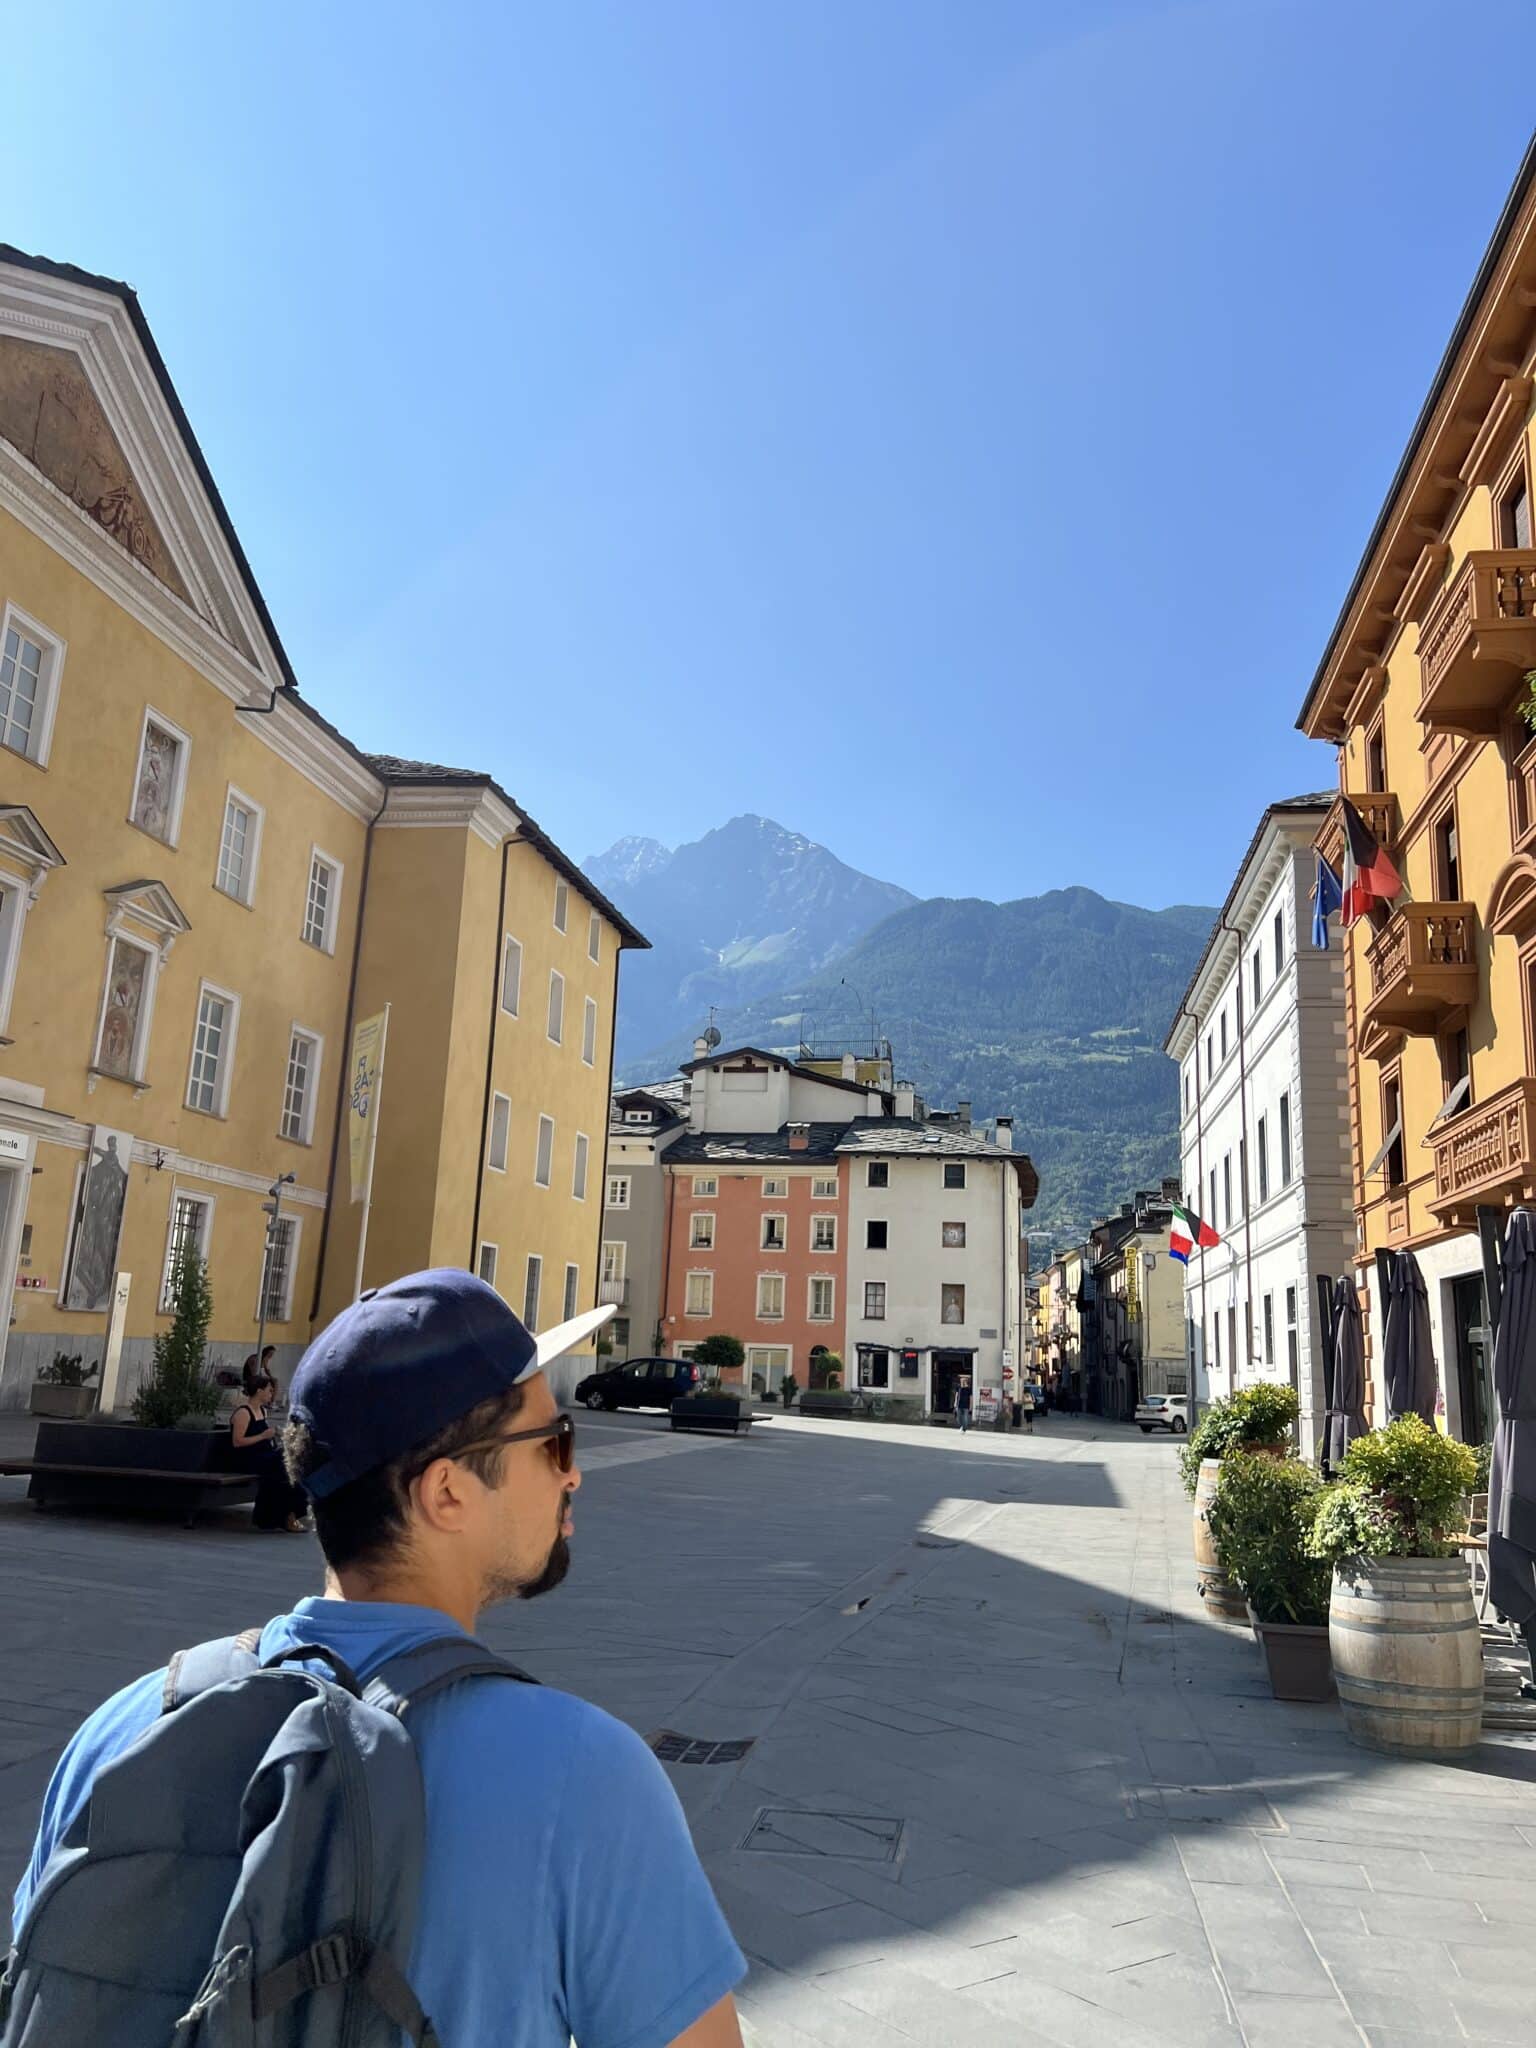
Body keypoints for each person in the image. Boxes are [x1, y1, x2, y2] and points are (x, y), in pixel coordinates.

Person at [13, 1270, 746, 2048]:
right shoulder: (586, 1778)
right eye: (554, 1440)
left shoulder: (122, 1729)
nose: (573, 1472)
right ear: (448, 1492)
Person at [227, 1357, 307, 1533]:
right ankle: (287, 1514)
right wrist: (263, 1435)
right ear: (259, 1391)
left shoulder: (261, 1411)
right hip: (248, 1458)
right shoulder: (243, 1413)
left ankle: (289, 1512)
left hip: (264, 1455)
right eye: (269, 1391)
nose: (272, 1394)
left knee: (289, 1466)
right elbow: (237, 1442)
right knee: (283, 1464)